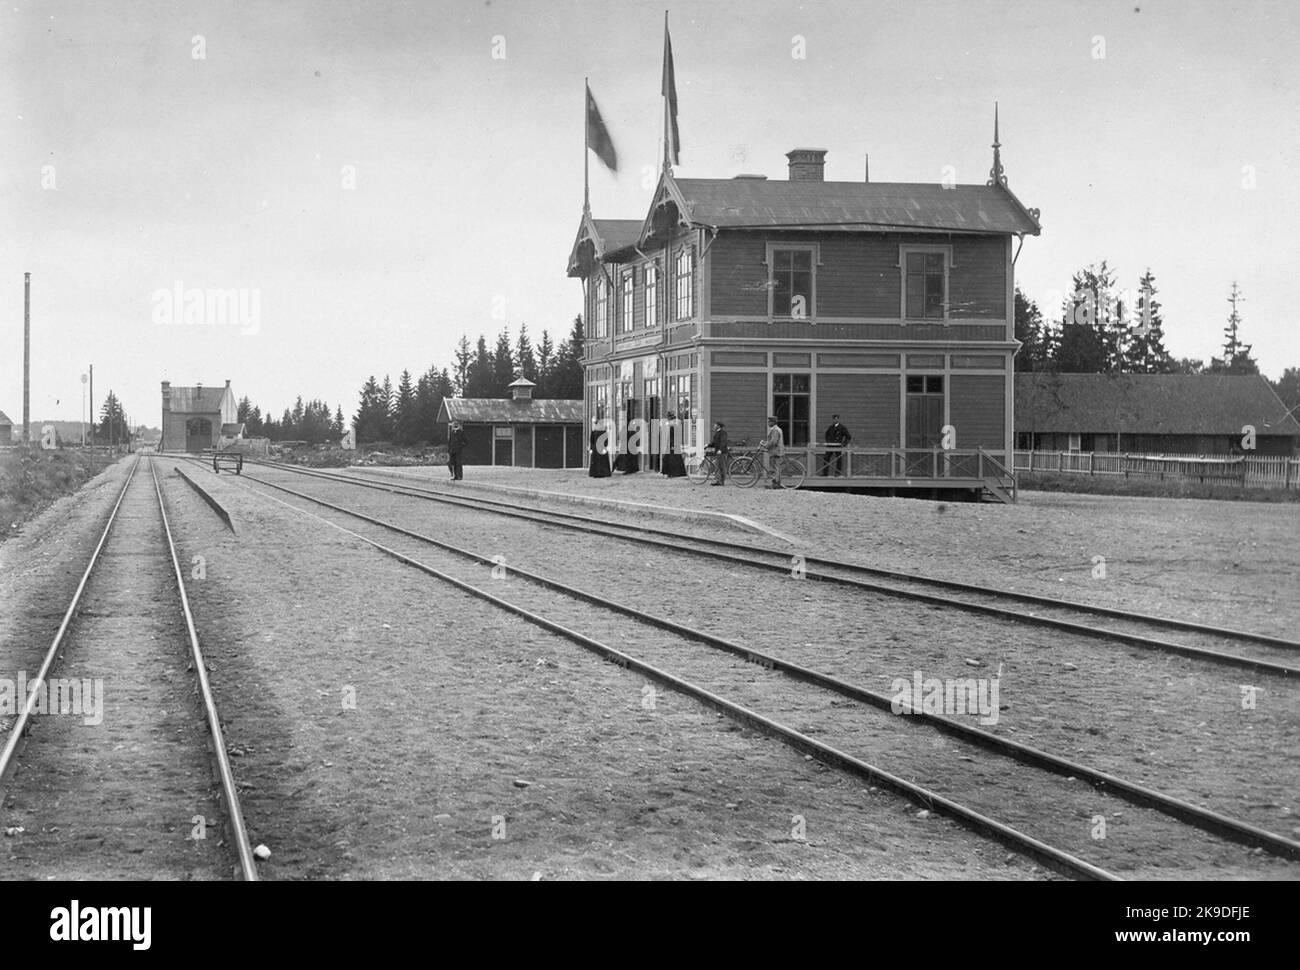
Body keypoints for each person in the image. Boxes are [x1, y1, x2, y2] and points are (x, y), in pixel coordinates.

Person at [757, 415, 785, 488]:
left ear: (773, 422)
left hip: (775, 451)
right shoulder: (777, 429)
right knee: (776, 468)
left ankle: (775, 484)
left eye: (769, 422)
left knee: (774, 468)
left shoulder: (775, 430)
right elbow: (772, 441)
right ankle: (776, 483)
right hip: (777, 451)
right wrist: (766, 442)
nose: (768, 423)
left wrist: (766, 445)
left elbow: (773, 442)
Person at [661, 412, 686, 478]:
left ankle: (671, 473)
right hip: (672, 444)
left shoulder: (673, 426)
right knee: (673, 459)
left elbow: (673, 437)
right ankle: (673, 473)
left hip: (672, 445)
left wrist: (672, 445)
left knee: (670, 459)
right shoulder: (674, 425)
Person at [705, 420, 728, 485]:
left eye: (715, 425)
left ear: (718, 426)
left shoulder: (723, 433)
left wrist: (720, 450)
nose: (714, 426)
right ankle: (720, 481)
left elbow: (723, 442)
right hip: (718, 452)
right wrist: (708, 445)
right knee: (719, 466)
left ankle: (719, 481)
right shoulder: (717, 433)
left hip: (721, 452)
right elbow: (714, 443)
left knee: (720, 466)